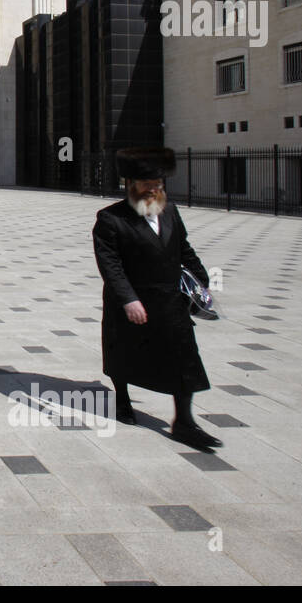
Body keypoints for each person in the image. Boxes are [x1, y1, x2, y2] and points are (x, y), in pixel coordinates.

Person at [93, 147, 220, 451]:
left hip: (169, 300)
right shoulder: (110, 218)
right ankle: (122, 401)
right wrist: (128, 299)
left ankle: (184, 422)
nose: (154, 189)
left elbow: (184, 250)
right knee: (123, 352)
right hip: (132, 300)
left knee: (185, 358)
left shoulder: (171, 211)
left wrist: (202, 285)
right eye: (148, 185)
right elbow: (110, 265)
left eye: (159, 184)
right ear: (131, 185)